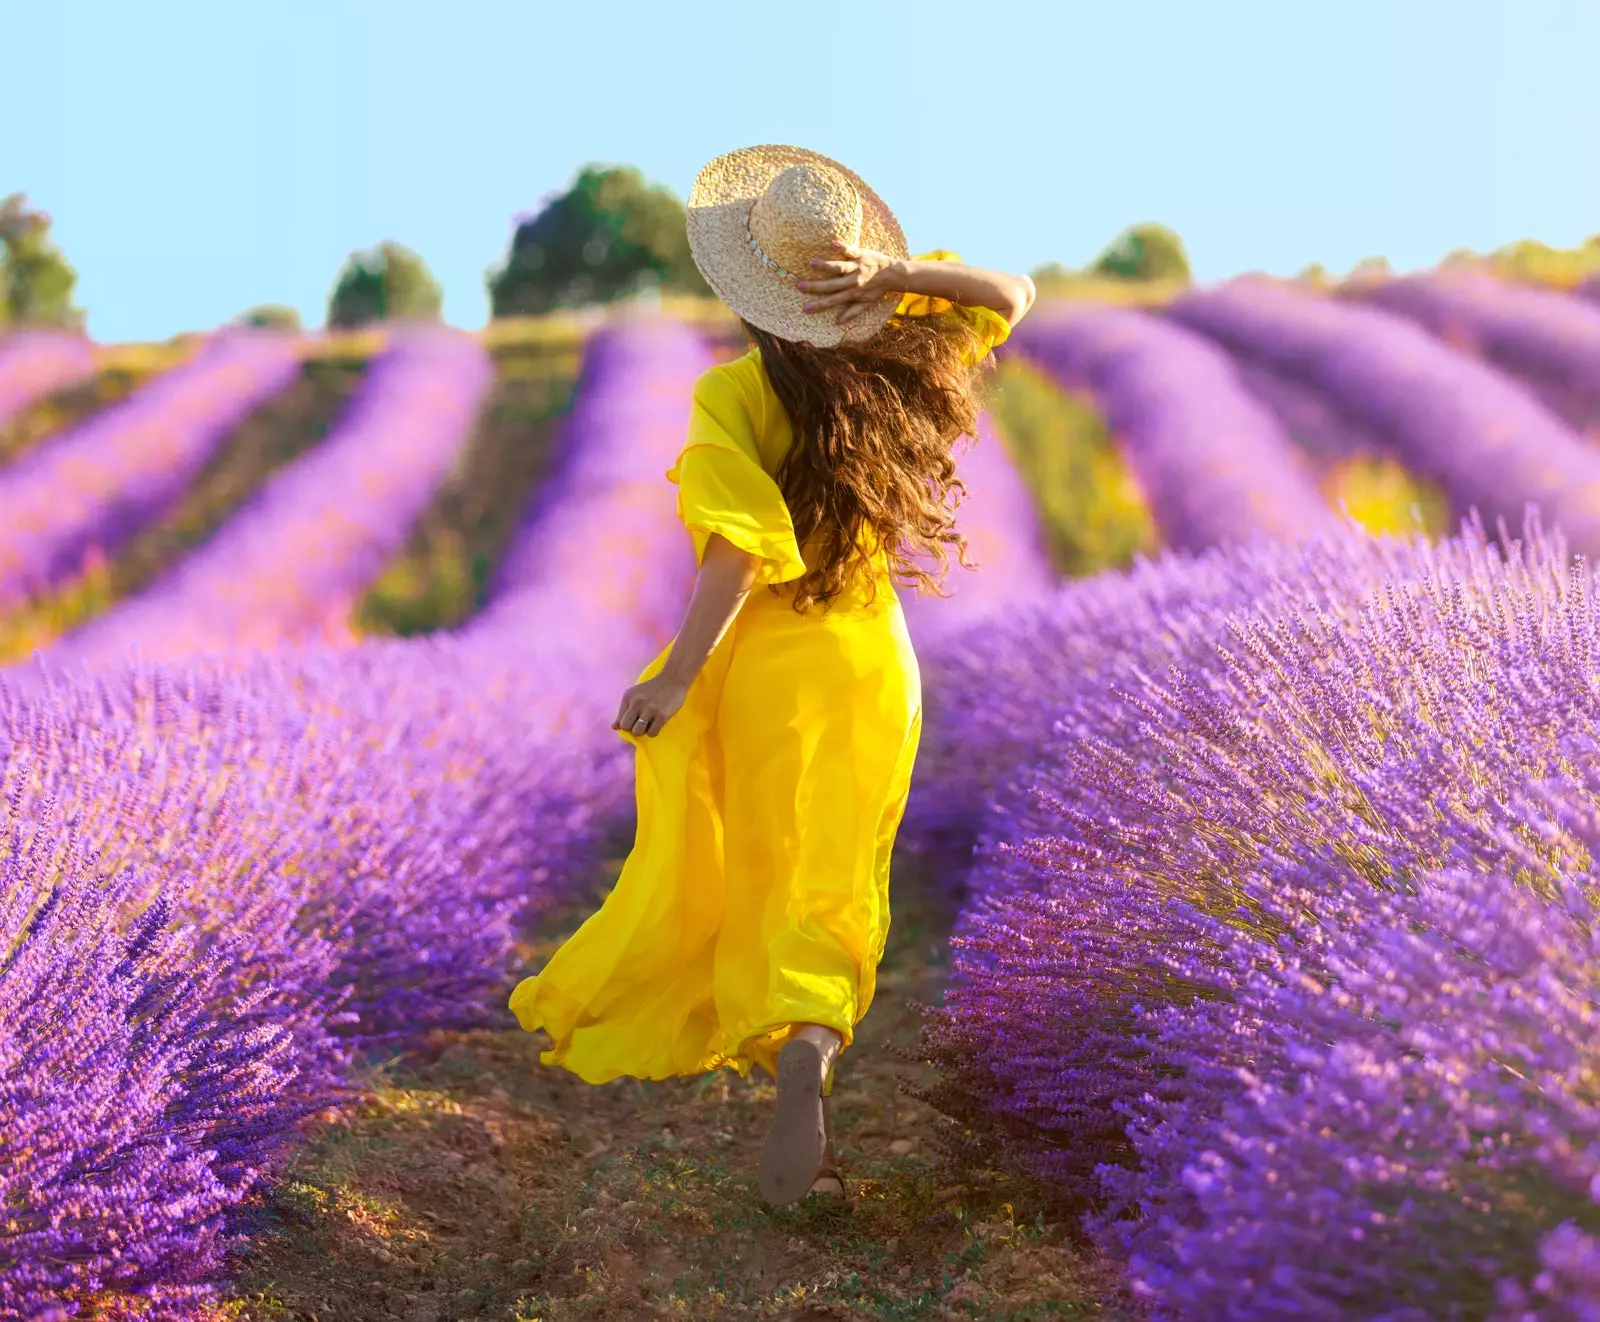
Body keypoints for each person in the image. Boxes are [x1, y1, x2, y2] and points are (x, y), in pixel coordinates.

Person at [509, 145, 1035, 1206]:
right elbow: (1013, 292)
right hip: (870, 658)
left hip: (768, 667)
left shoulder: (735, 392)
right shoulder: (900, 349)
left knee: (761, 863)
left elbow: (738, 550)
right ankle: (812, 1034)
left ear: (747, 285)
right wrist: (891, 283)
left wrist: (677, 677)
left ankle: (771, 1029)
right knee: (840, 865)